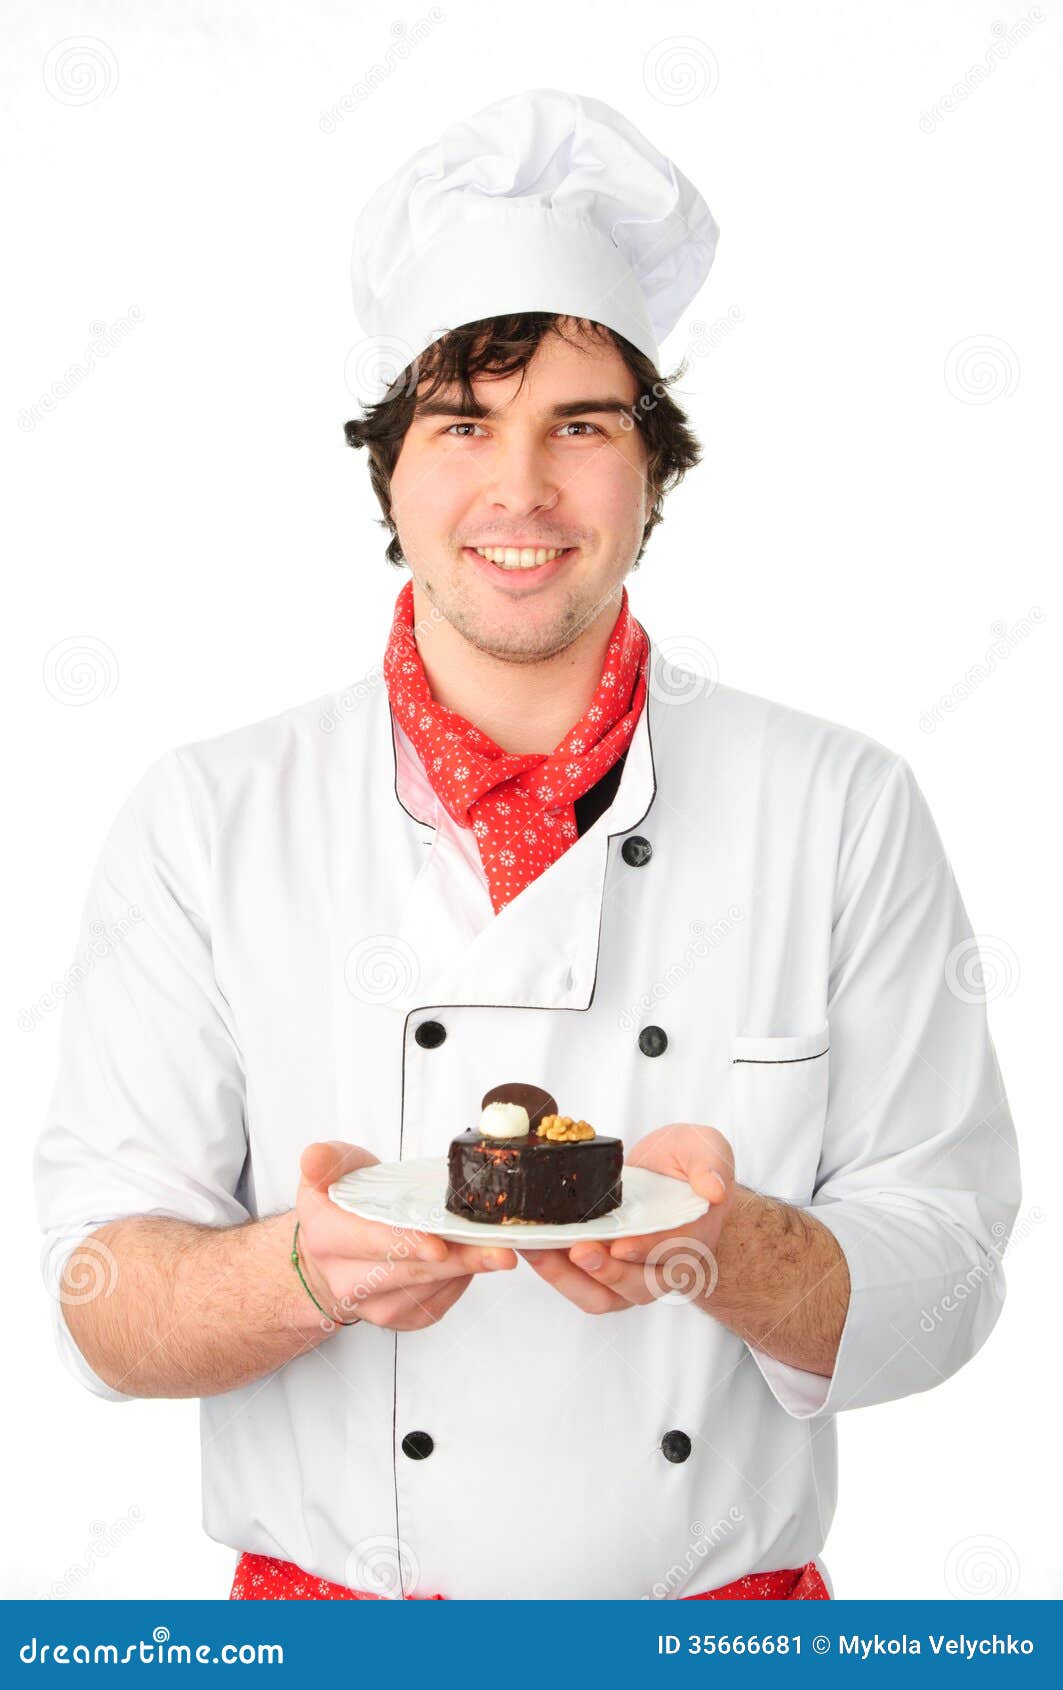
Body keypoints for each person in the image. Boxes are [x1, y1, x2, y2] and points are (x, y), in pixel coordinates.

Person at [35, 89, 1020, 1603]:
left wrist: (726, 1245)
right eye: (462, 426)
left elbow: (954, 1274)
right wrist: (302, 1266)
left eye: (581, 423)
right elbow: (99, 1295)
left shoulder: (842, 805)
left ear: (653, 470)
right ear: (390, 473)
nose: (521, 488)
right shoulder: (208, 817)